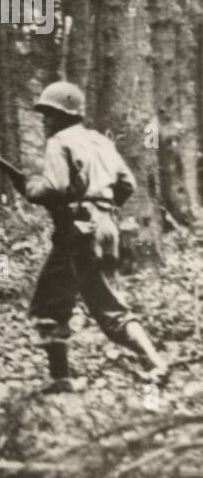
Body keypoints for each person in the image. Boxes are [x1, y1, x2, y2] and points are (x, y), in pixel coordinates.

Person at [23, 82, 169, 393]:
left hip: (80, 232)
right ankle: (60, 378)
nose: (44, 120)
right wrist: (101, 207)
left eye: (49, 114)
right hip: (99, 230)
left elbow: (55, 187)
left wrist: (31, 188)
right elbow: (126, 184)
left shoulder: (58, 143)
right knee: (48, 304)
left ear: (64, 115)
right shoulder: (100, 141)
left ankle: (156, 364)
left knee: (108, 308)